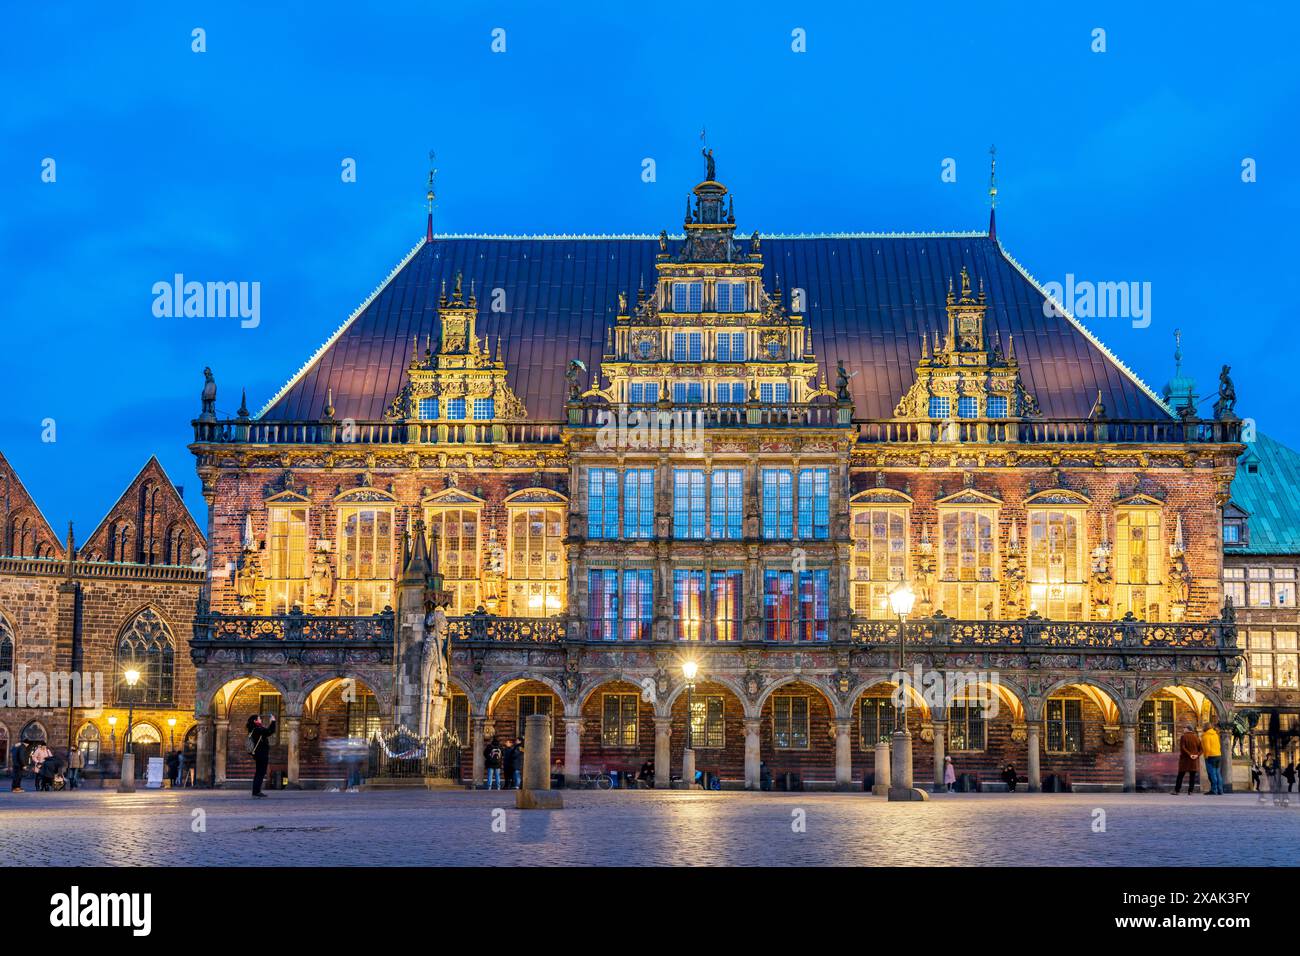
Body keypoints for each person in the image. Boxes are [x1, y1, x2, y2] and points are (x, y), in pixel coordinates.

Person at [246, 713, 277, 798]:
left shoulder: (254, 729)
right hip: (261, 754)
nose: (261, 720)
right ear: (255, 721)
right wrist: (273, 722)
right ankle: (256, 792)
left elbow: (267, 732)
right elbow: (269, 731)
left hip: (258, 754)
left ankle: (256, 791)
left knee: (259, 773)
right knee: (260, 773)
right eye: (259, 719)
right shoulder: (257, 729)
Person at [1172, 724, 1202, 794]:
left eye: (1184, 728)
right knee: (1192, 776)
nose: (1183, 729)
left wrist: (1189, 754)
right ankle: (1190, 791)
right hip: (1194, 760)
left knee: (1180, 775)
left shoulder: (1183, 737)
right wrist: (1197, 755)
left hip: (1185, 760)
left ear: (1188, 729)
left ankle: (1177, 790)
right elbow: (1201, 749)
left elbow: (1183, 747)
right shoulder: (1196, 737)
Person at [1201, 723, 1224, 795]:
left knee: (1212, 774)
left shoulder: (1205, 736)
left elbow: (1207, 748)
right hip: (1218, 755)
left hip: (1211, 756)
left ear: (1205, 728)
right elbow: (1219, 745)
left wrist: (1206, 756)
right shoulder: (1216, 735)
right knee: (1218, 773)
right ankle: (1220, 790)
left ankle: (1214, 790)